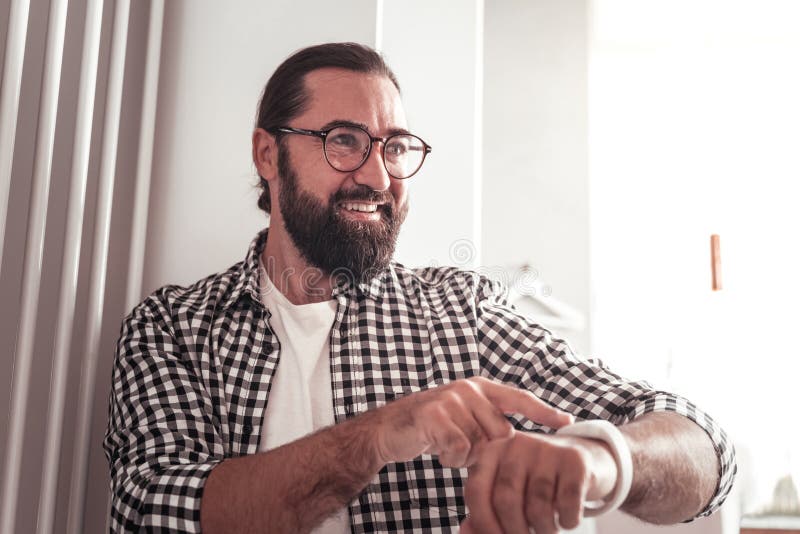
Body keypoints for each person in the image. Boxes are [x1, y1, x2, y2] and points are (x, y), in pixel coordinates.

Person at [104, 42, 735, 534]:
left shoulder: (459, 313)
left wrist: (604, 462)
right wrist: (378, 434)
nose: (378, 175)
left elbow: (705, 451)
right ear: (269, 155)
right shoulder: (172, 328)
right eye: (343, 140)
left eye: (396, 147)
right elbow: (152, 514)